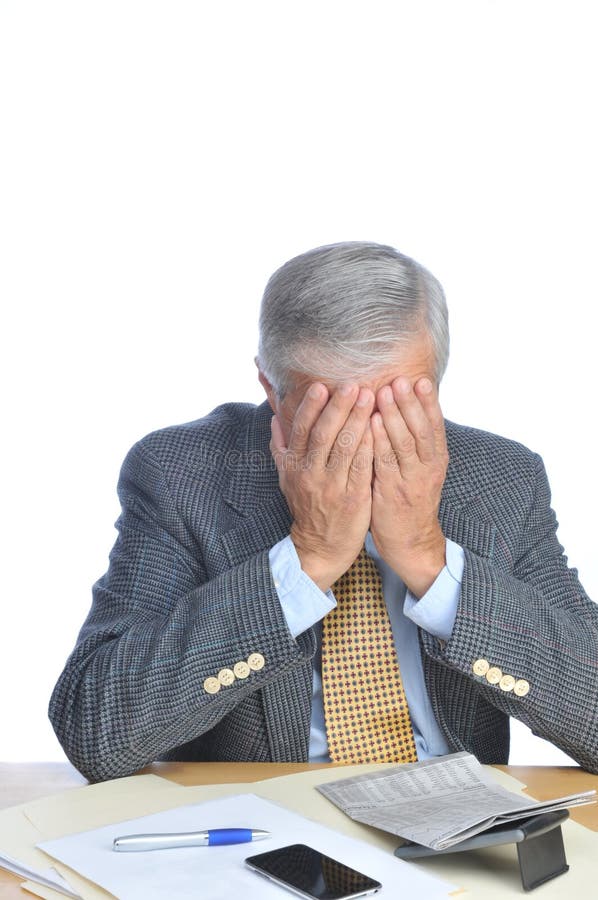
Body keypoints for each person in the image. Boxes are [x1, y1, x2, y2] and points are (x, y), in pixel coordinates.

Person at [49, 242, 598, 782]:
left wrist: (429, 559)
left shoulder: (503, 479)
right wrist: (306, 558)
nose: (366, 438)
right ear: (271, 388)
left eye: (397, 406)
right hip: (264, 819)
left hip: (459, 818)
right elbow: (96, 734)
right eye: (335, 412)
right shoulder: (182, 474)